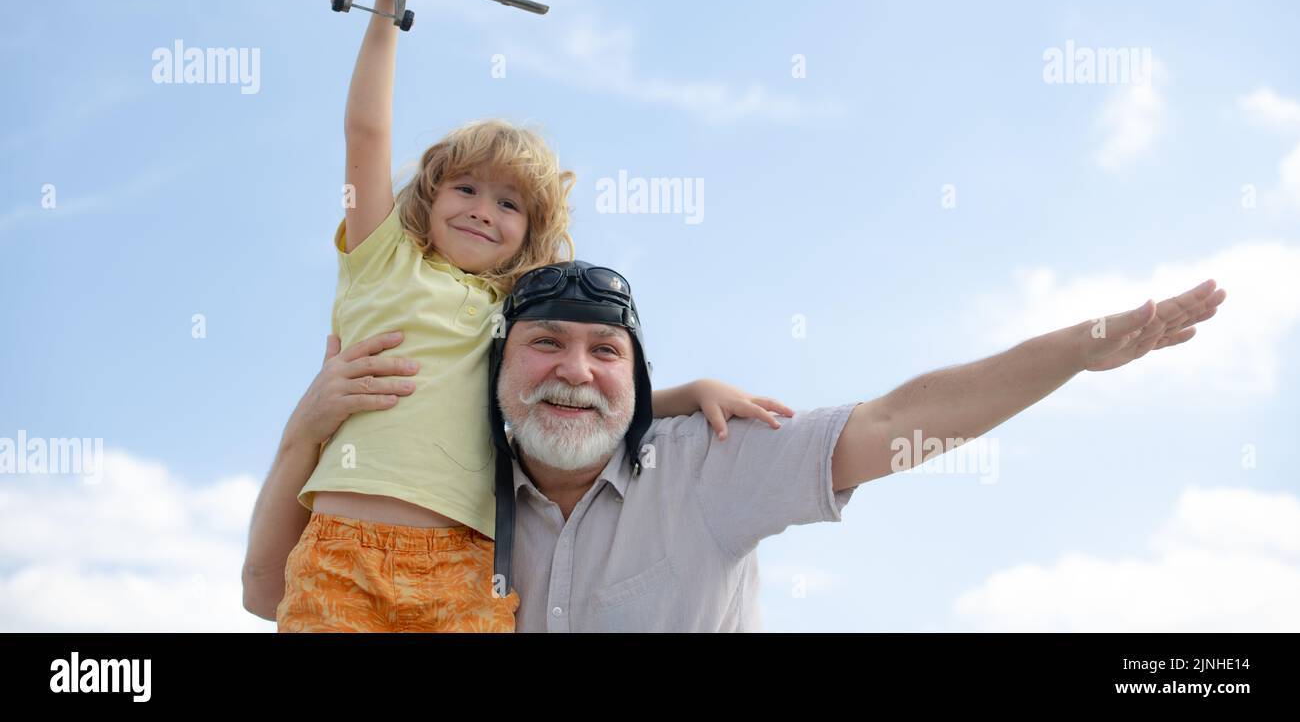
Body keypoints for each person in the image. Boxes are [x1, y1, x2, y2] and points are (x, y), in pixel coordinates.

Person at [247, 255, 1226, 631]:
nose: (575, 370)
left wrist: (1073, 350)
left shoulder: (710, 462)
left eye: (605, 351)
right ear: (496, 373)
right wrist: (306, 428)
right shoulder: (451, 498)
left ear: (637, 379)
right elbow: (267, 591)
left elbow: (892, 421)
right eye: (545, 343)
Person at [262, 0, 789, 632]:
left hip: (464, 563)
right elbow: (365, 134)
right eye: (466, 189)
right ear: (427, 198)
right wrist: (389, 6)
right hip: (342, 546)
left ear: (529, 234)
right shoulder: (382, 260)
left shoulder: (516, 319)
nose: (484, 210)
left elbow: (584, 391)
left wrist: (694, 392)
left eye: (508, 202)